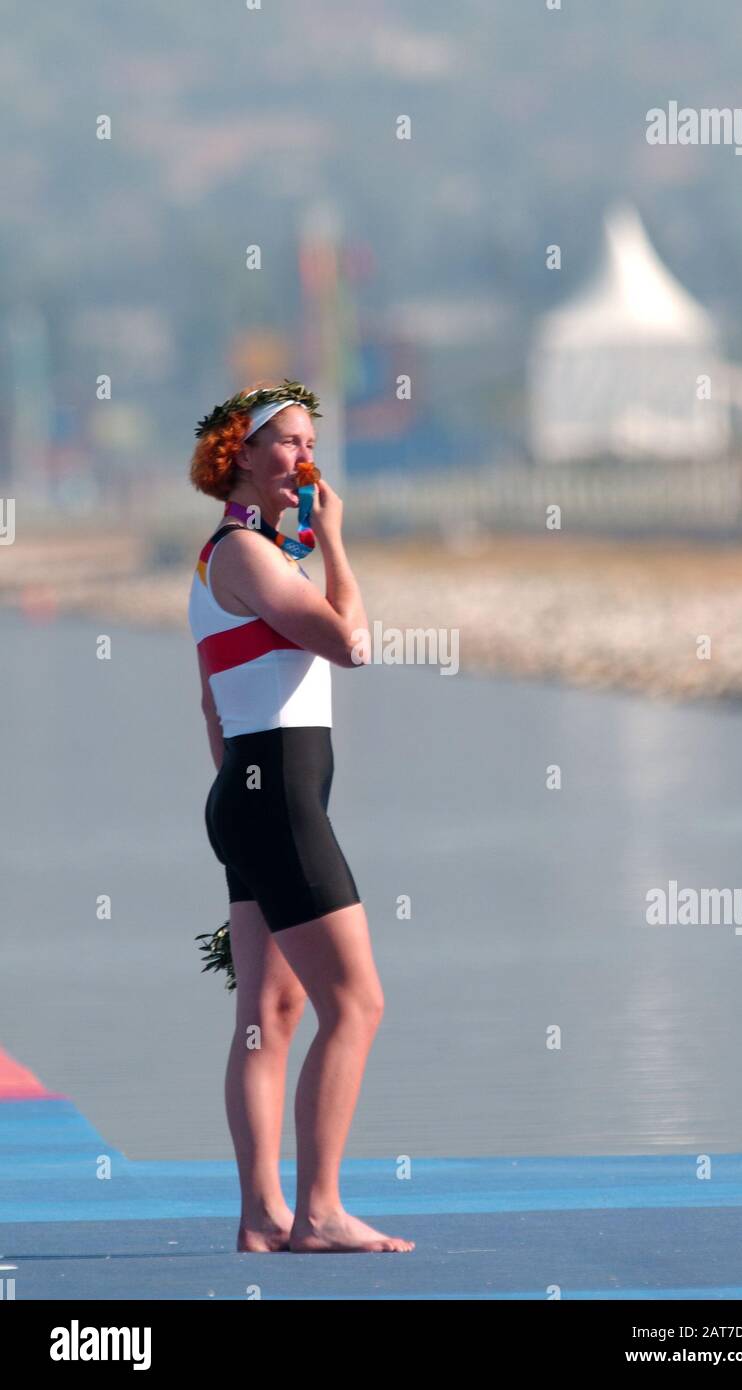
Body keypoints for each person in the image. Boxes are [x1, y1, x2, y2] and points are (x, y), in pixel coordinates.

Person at [188, 381, 414, 1254]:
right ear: (240, 453)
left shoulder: (235, 557)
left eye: (311, 442)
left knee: (268, 1014)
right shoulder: (246, 554)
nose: (305, 458)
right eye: (287, 441)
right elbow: (351, 645)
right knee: (356, 1003)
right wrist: (340, 546)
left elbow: (212, 710)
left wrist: (244, 825)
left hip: (253, 798)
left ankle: (261, 1217)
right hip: (277, 799)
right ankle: (318, 1212)